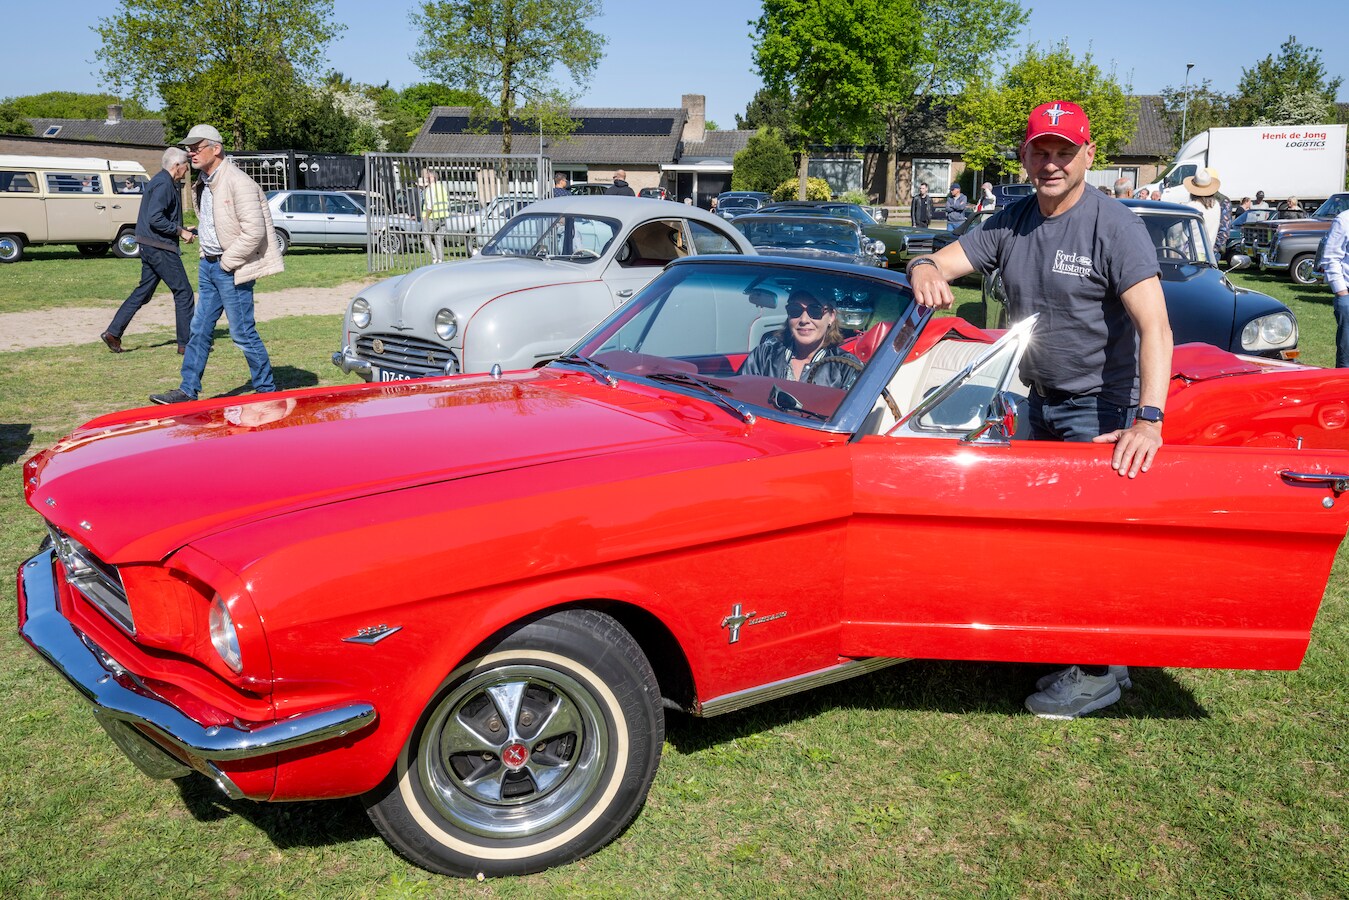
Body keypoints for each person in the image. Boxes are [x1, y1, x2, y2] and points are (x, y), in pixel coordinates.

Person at [905, 99, 1172, 720]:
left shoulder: (1115, 226)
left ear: (1088, 156)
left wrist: (1147, 420)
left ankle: (1098, 671)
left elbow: (1155, 326)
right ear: (1024, 156)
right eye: (1040, 151)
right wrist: (922, 267)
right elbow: (941, 260)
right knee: (1044, 534)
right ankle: (1084, 647)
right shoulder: (1013, 221)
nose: (1051, 163)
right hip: (1034, 400)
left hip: (1099, 408)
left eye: (1064, 152)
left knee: (1086, 541)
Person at [150, 124, 284, 405]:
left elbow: (254, 231)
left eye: (196, 148)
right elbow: (212, 225)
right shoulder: (204, 182)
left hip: (230, 269)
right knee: (198, 330)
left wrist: (227, 263)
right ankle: (187, 391)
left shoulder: (238, 182)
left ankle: (267, 392)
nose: (191, 153)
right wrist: (207, 255)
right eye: (189, 149)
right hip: (209, 267)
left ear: (216, 148)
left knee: (242, 333)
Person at [101, 147, 196, 355]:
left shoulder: (161, 182)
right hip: (159, 247)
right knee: (184, 292)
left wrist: (183, 228)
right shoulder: (163, 184)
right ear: (176, 165)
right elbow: (155, 218)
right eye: (185, 165)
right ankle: (186, 344)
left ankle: (113, 333)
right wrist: (179, 231)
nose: (187, 170)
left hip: (149, 245)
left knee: (143, 292)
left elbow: (160, 216)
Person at [740, 289, 862, 389]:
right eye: (795, 310)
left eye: (815, 311)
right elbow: (739, 398)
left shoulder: (847, 367)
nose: (804, 320)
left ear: (831, 317)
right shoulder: (763, 356)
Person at [1323, 207, 1349, 367]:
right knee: (1347, 355)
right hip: (1347, 293)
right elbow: (1331, 257)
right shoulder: (1344, 220)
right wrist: (1342, 293)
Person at [1182, 168, 1222, 255]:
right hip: (1208, 253)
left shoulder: (1191, 206)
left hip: (1191, 253)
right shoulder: (1216, 206)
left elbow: (1182, 232)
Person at [420, 168, 451, 263]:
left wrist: (426, 216)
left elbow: (430, 205)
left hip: (433, 217)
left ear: (433, 178)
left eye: (428, 176)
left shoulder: (431, 189)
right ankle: (440, 259)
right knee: (439, 238)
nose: (426, 178)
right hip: (443, 217)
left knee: (425, 236)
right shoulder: (442, 187)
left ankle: (435, 257)